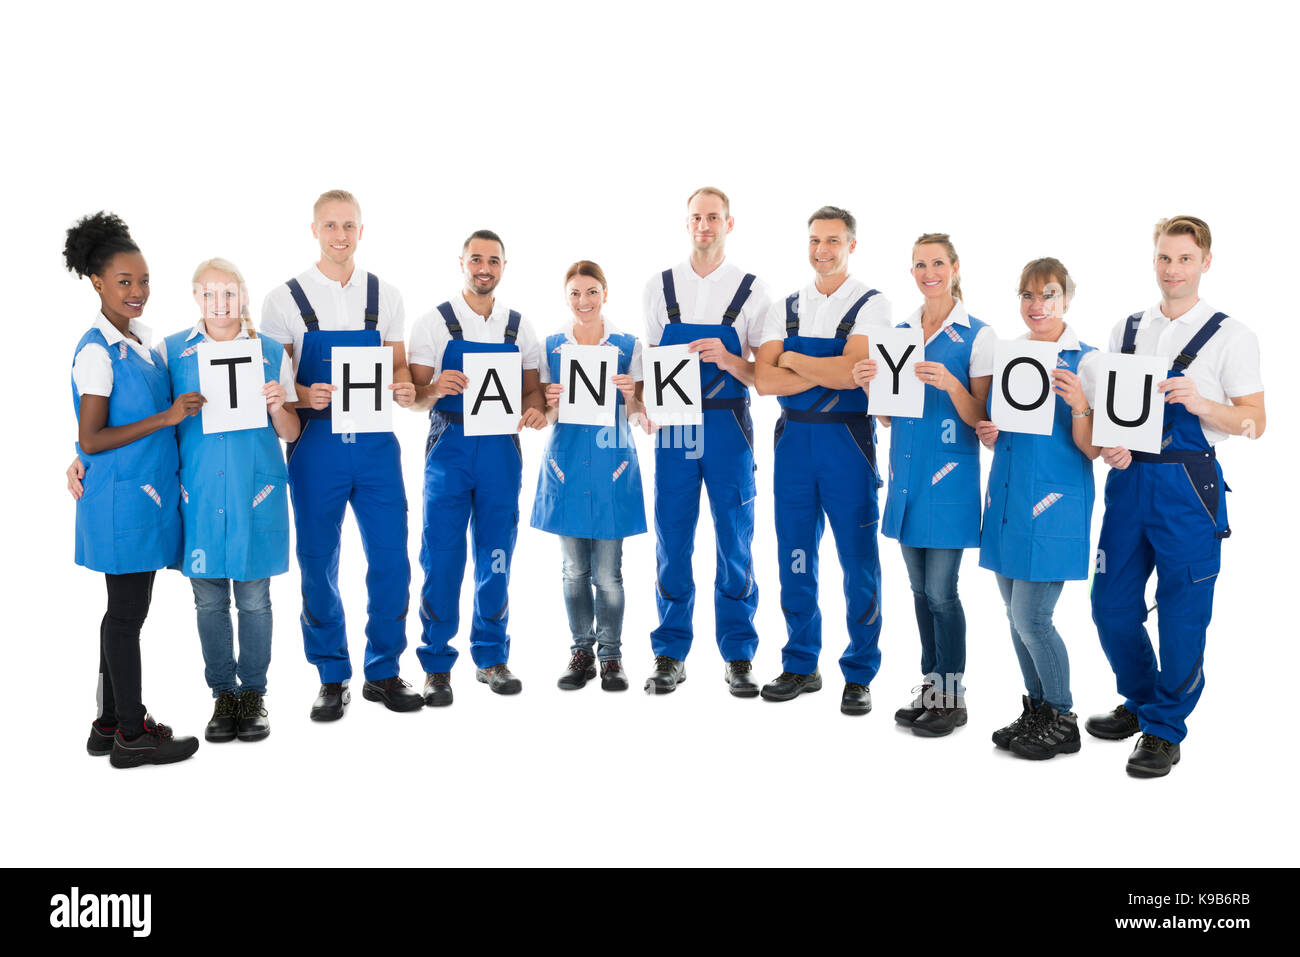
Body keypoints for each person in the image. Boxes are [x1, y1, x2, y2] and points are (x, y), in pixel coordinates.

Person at [1088, 216, 1265, 778]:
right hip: (1128, 482)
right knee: (1109, 605)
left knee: (1183, 616)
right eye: (1165, 258)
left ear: (1205, 262)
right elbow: (1110, 413)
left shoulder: (1232, 335)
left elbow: (1257, 421)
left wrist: (1204, 405)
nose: (1173, 269)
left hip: (1189, 485)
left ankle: (1165, 730)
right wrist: (1111, 444)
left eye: (1184, 259)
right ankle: (1142, 702)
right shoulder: (1128, 329)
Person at [259, 189, 423, 720]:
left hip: (376, 446)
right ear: (314, 230)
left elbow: (397, 367)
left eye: (349, 226)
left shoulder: (386, 295)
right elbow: (275, 385)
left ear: (361, 231)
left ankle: (384, 670)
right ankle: (331, 674)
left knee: (392, 559)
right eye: (330, 226)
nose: (340, 235)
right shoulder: (283, 299)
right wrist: (307, 396)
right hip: (315, 446)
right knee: (316, 561)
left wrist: (402, 388)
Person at [65, 211, 202, 769]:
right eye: (125, 282)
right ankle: (131, 734)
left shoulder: (141, 341)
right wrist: (167, 418)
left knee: (119, 613)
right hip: (121, 502)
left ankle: (107, 724)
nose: (138, 292)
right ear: (97, 282)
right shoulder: (98, 350)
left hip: (138, 498)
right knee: (126, 616)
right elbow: (92, 437)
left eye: (144, 281)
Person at [854, 233, 993, 736]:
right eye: (919, 264)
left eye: (937, 263)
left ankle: (951, 696)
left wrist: (952, 385)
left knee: (941, 591)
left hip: (950, 481)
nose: (928, 272)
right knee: (917, 589)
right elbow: (890, 419)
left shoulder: (978, 335)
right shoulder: (900, 331)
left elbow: (983, 418)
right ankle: (931, 687)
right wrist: (872, 384)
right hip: (906, 478)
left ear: (955, 267)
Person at [754, 207, 891, 714]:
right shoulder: (783, 305)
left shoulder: (872, 303)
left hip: (847, 443)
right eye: (814, 240)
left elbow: (855, 374)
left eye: (832, 241)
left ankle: (859, 671)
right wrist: (826, 368)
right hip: (793, 443)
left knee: (858, 563)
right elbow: (763, 383)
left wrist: (790, 357)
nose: (822, 250)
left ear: (851, 245)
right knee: (795, 556)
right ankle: (800, 663)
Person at [642, 187, 773, 696]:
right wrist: (645, 408)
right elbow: (653, 359)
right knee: (672, 540)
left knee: (734, 540)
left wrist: (729, 360)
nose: (704, 225)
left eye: (713, 217)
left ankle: (738, 654)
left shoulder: (753, 289)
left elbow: (762, 373)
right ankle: (670, 652)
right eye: (697, 217)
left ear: (729, 224)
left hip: (728, 425)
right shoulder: (659, 286)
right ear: (686, 222)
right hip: (673, 428)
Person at [407, 230, 547, 703]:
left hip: (500, 449)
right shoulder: (434, 323)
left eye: (493, 260)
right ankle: (436, 664)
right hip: (449, 441)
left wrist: (535, 411)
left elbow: (532, 391)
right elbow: (413, 397)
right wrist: (434, 388)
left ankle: (492, 657)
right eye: (475, 259)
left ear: (504, 266)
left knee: (496, 554)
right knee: (442, 556)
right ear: (461, 263)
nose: (484, 267)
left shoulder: (520, 326)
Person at [976, 258, 1100, 760]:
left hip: (1054, 502)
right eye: (1028, 296)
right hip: (1007, 496)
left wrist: (1081, 405)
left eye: (1048, 295)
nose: (1037, 306)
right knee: (1012, 613)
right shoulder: (1012, 355)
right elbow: (1004, 433)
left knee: (1033, 617)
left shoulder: (1088, 361)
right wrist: (990, 433)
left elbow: (1093, 450)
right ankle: (1038, 709)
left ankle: (1063, 717)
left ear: (1067, 298)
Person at [532, 261, 650, 692]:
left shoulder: (627, 345)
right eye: (576, 293)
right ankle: (580, 652)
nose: (584, 301)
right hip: (566, 459)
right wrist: (549, 402)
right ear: (566, 297)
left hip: (611, 463)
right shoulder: (549, 346)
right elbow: (544, 415)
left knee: (609, 573)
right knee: (573, 569)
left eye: (592, 291)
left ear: (605, 294)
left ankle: (612, 656)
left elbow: (640, 412)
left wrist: (632, 397)